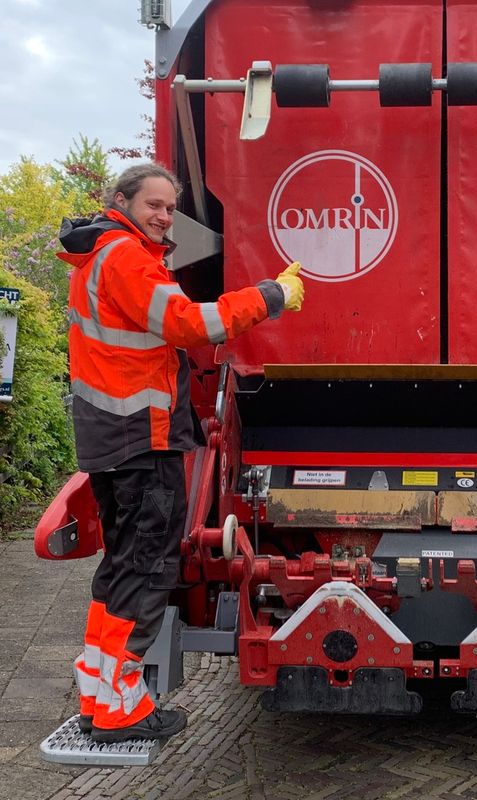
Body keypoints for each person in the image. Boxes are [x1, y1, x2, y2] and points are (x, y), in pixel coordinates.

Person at [58, 163, 304, 743]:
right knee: (146, 569)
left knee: (121, 568)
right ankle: (121, 710)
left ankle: (99, 696)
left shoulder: (102, 254)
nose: (165, 216)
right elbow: (189, 324)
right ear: (122, 201)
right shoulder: (125, 257)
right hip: (140, 438)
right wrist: (272, 295)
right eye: (155, 205)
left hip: (116, 439)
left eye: (171, 207)